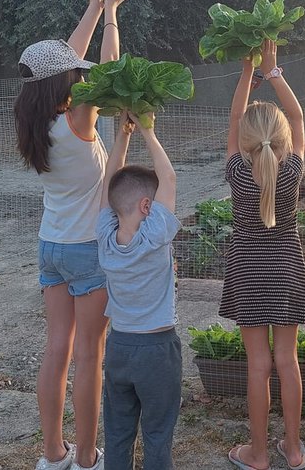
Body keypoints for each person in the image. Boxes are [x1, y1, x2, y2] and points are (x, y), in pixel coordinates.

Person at [15, 0, 137, 470]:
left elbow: (63, 59)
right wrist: (112, 12)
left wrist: (94, 4)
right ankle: (87, 458)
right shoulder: (78, 118)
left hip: (52, 246)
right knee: (90, 357)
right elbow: (110, 70)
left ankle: (53, 454)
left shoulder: (36, 121)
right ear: (64, 83)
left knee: (56, 350)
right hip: (88, 251)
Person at [221, 39, 305, 470]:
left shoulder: (236, 171)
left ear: (245, 141)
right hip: (287, 270)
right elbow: (297, 116)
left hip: (248, 273)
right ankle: (293, 451)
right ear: (282, 142)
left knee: (257, 365)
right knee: (287, 360)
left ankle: (257, 455)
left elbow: (234, 117)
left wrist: (248, 73)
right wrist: (274, 70)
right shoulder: (293, 169)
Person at [95, 110, 182, 470]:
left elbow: (107, 187)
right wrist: (146, 129)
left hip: (119, 347)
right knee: (157, 436)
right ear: (147, 206)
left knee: (117, 433)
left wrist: (122, 137)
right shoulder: (154, 236)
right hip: (157, 351)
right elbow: (170, 178)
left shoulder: (104, 237)